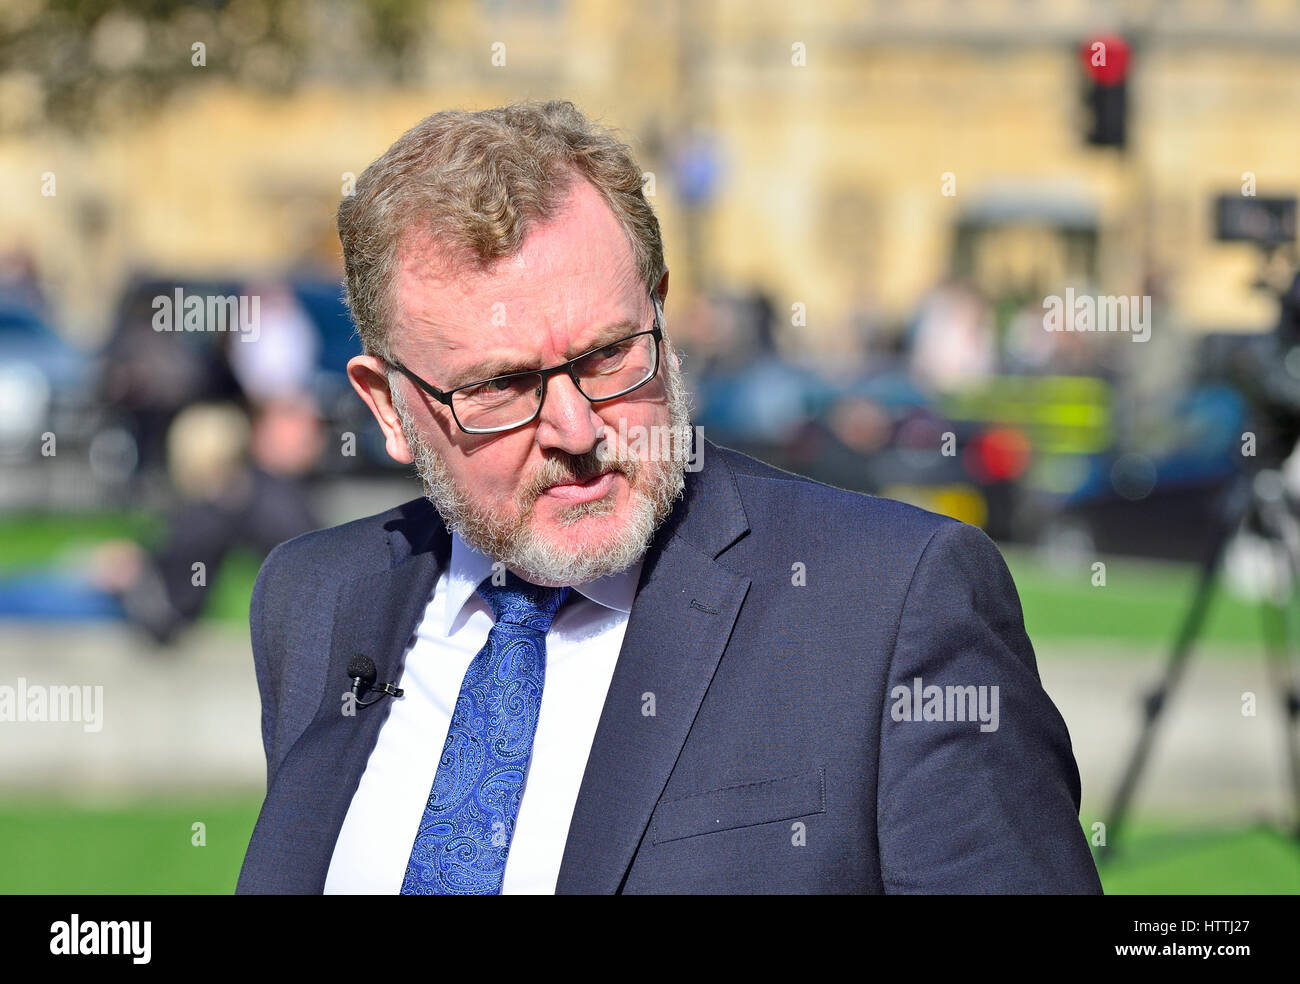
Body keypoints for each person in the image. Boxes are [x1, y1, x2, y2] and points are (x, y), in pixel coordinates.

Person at [236, 100, 1101, 894]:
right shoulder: (315, 600)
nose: (577, 429)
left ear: (662, 314)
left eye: (609, 355)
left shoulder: (889, 603)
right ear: (388, 407)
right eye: (500, 385)